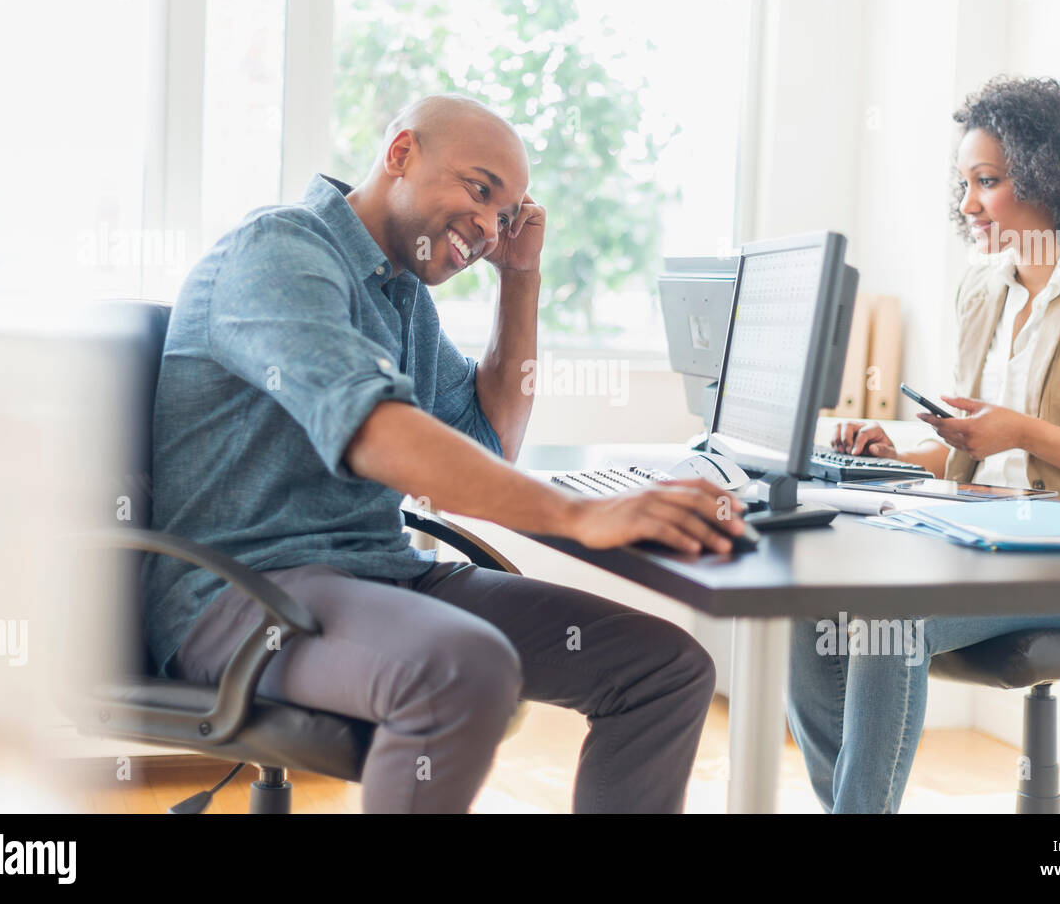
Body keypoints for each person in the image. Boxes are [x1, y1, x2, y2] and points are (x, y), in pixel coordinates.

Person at [143, 94, 746, 813]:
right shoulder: (280, 250)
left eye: (506, 215)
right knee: (461, 668)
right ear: (400, 154)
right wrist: (579, 514)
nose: (490, 227)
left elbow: (491, 442)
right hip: (243, 592)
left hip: (379, 574)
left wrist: (520, 277)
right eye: (480, 189)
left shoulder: (404, 301)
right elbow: (377, 434)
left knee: (665, 668)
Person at [787, 76, 1060, 813]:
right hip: (986, 534)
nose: (968, 205)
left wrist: (1022, 429)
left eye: (987, 182)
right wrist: (899, 454)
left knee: (892, 621)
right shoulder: (982, 288)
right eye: (963, 184)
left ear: (1054, 177)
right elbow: (980, 455)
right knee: (815, 606)